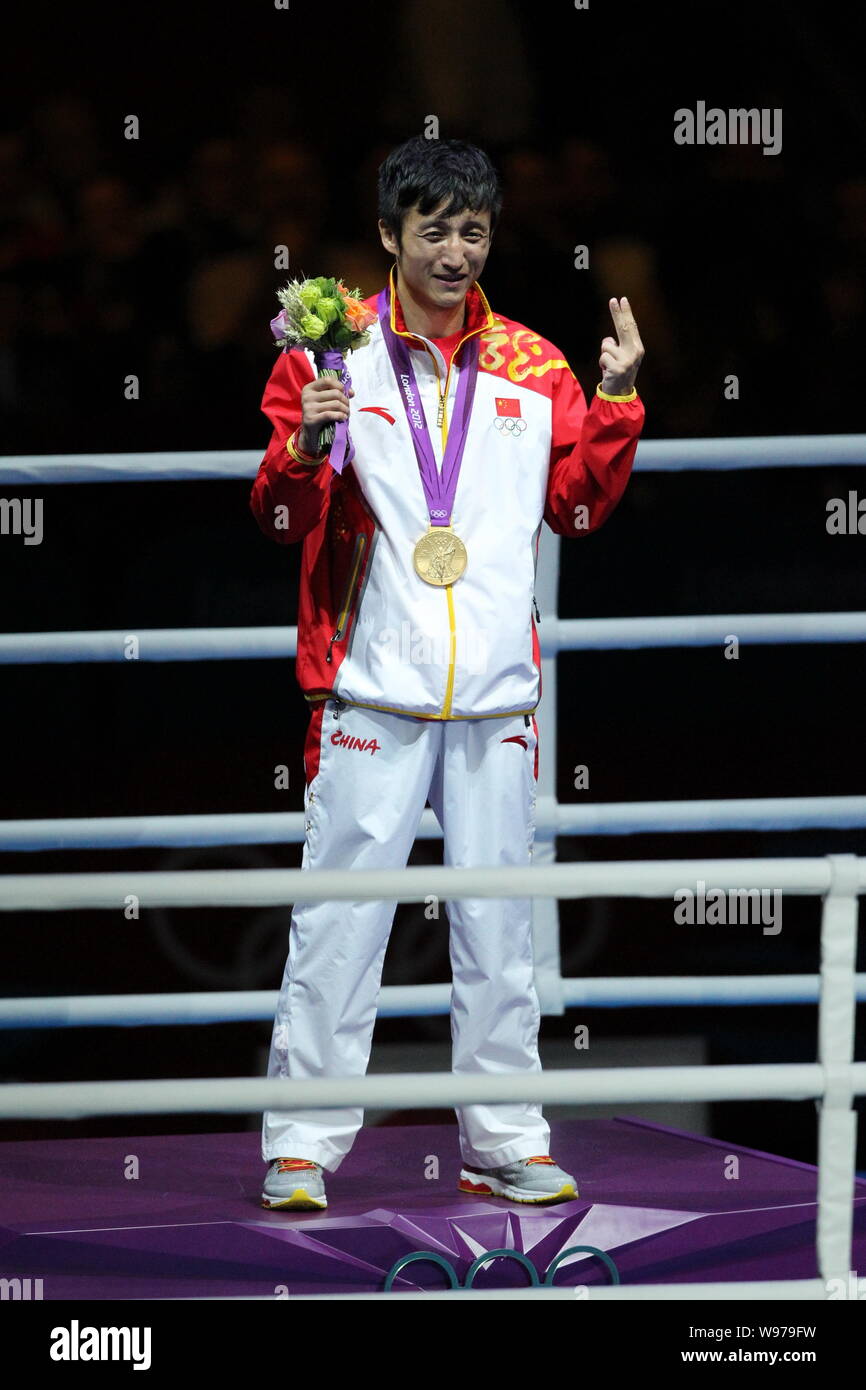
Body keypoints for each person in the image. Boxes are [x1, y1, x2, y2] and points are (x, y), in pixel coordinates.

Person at [250, 135, 645, 1210]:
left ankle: (504, 1137)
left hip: (496, 702)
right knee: (341, 920)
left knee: (497, 931)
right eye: (433, 228)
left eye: (472, 230)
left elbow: (576, 507)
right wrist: (299, 448)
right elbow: (281, 520)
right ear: (388, 235)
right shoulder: (328, 354)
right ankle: (300, 1144)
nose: (455, 250)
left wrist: (612, 407)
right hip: (368, 688)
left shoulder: (535, 365)